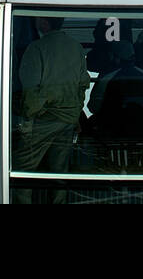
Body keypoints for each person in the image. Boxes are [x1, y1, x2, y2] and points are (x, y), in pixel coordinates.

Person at [14, 17, 90, 203]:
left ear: (45, 23)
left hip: (43, 119)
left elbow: (31, 92)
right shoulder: (76, 47)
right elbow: (83, 84)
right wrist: (74, 114)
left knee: (21, 171)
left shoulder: (37, 48)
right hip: (67, 120)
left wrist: (27, 122)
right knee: (59, 172)